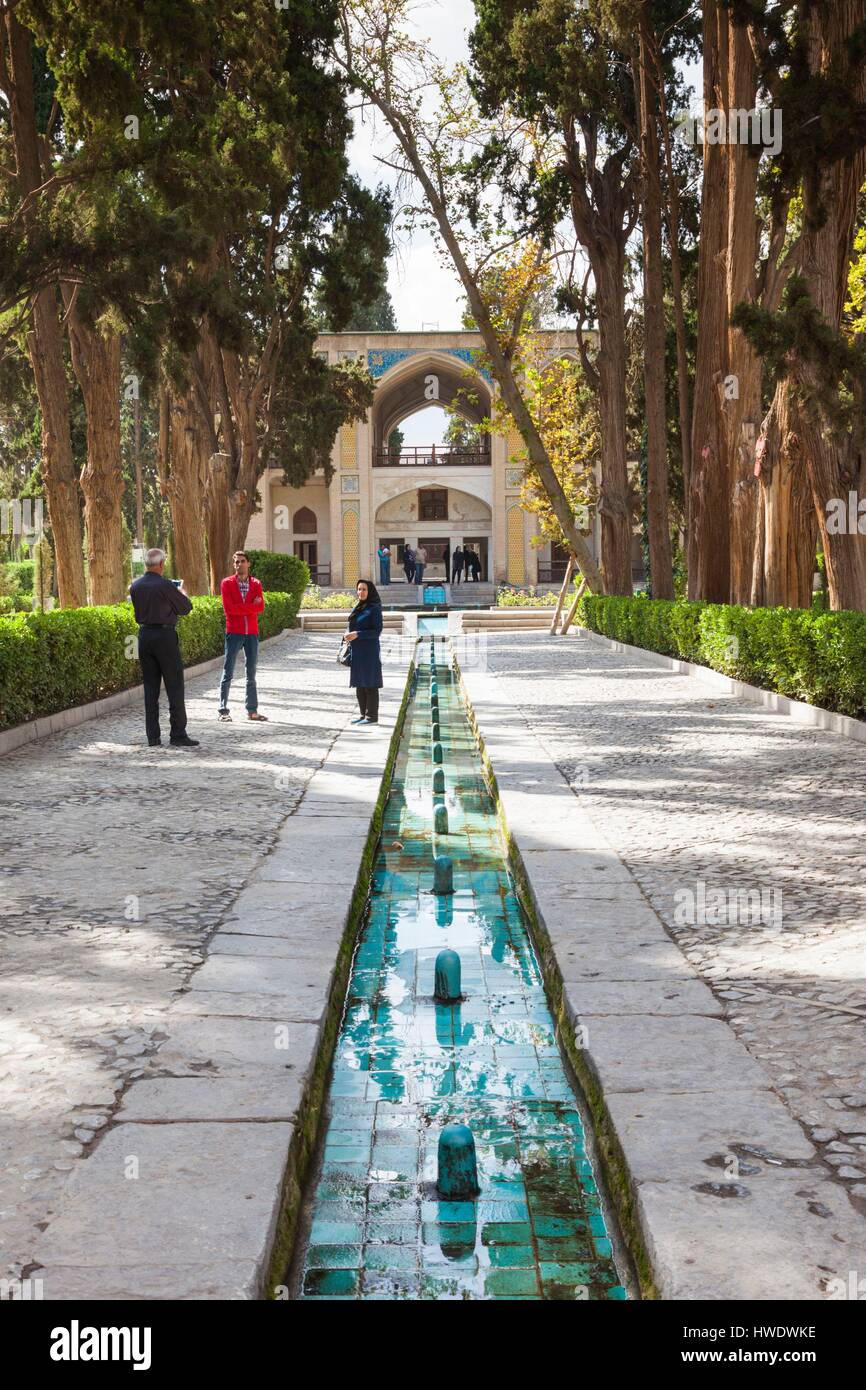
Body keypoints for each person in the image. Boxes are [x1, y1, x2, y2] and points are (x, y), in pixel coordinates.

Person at [129, 548, 198, 748]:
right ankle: (178, 734)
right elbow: (185, 608)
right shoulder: (165, 585)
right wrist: (181, 591)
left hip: (144, 636)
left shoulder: (135, 586)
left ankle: (153, 736)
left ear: (146, 565)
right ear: (161, 564)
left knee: (150, 688)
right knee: (174, 686)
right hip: (165, 637)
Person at [218, 551, 268, 723]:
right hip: (234, 632)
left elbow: (261, 607)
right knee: (228, 671)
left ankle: (252, 711)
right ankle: (223, 710)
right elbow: (229, 609)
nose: (239, 564)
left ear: (248, 564)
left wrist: (243, 607)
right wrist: (250, 606)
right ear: (234, 565)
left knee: (251, 673)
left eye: (242, 561)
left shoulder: (256, 584)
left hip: (252, 633)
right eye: (236, 562)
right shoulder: (227, 584)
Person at [344, 579, 383, 725]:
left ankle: (372, 717)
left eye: (364, 589)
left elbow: (377, 631)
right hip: (357, 650)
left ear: (370, 591)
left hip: (369, 650)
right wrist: (348, 634)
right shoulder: (359, 607)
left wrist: (358, 634)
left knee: (370, 683)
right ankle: (363, 714)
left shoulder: (374, 608)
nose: (361, 592)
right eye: (359, 589)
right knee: (359, 682)